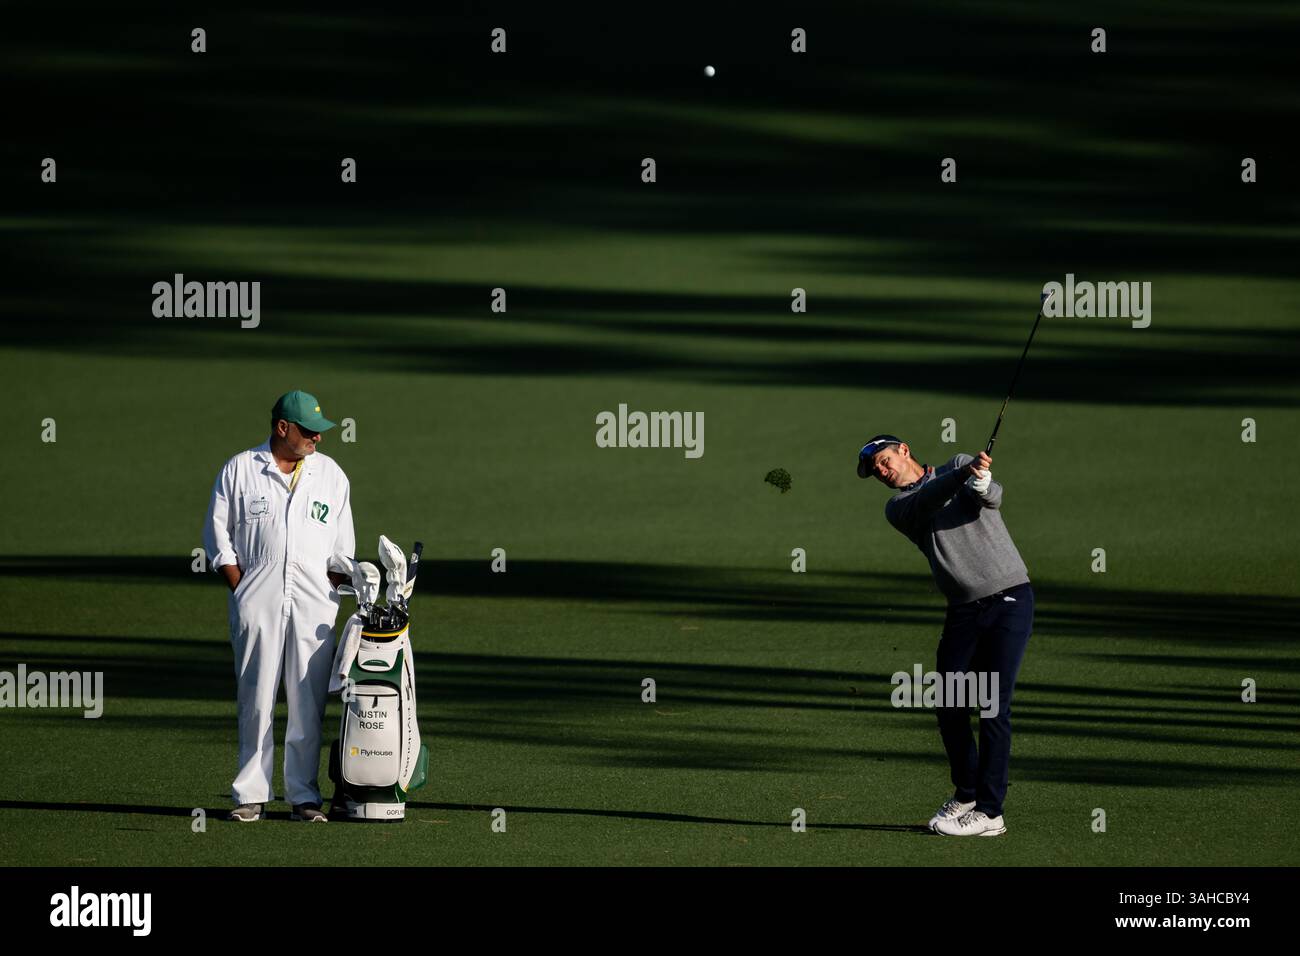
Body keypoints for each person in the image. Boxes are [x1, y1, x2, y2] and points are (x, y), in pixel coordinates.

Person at [857, 434, 1034, 837]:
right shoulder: (898, 507)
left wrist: (983, 483)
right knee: (950, 703)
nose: (882, 473)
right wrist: (962, 476)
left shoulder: (958, 462)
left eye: (884, 461)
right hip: (963, 612)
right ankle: (967, 792)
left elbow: (993, 499)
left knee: (992, 704)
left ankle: (991, 812)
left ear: (903, 450)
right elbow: (928, 500)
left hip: (1009, 598)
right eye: (875, 471)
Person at [203, 390, 355, 822]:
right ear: (282, 428)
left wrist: (329, 590)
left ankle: (303, 796)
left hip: (315, 603)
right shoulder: (240, 469)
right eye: (308, 431)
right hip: (258, 596)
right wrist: (242, 590)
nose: (317, 440)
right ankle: (250, 794)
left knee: (308, 700)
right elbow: (218, 537)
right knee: (257, 695)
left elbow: (343, 545)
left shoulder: (331, 475)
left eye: (319, 432)